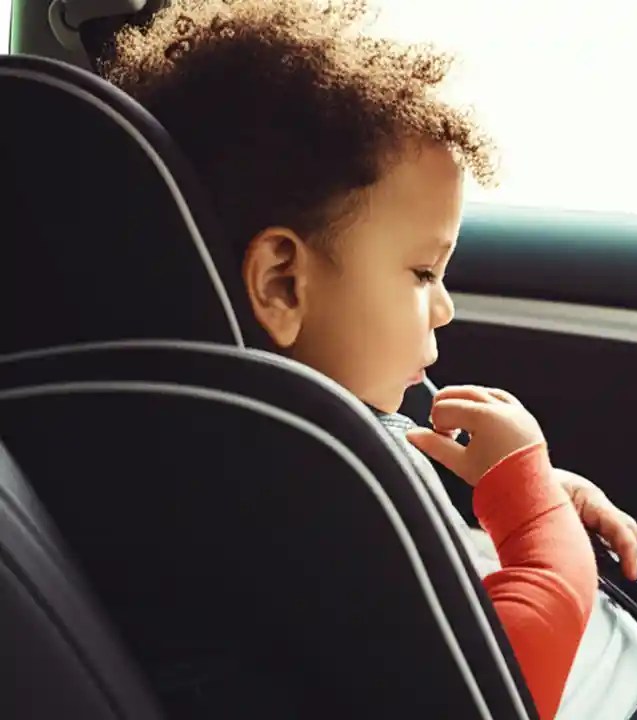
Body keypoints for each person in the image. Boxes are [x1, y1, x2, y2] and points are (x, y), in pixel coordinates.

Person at [102, 2, 608, 717]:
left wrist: (540, 501)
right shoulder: (278, 499)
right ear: (282, 282)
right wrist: (537, 532)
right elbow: (505, 686)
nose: (445, 308)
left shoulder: (312, 441)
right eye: (423, 274)